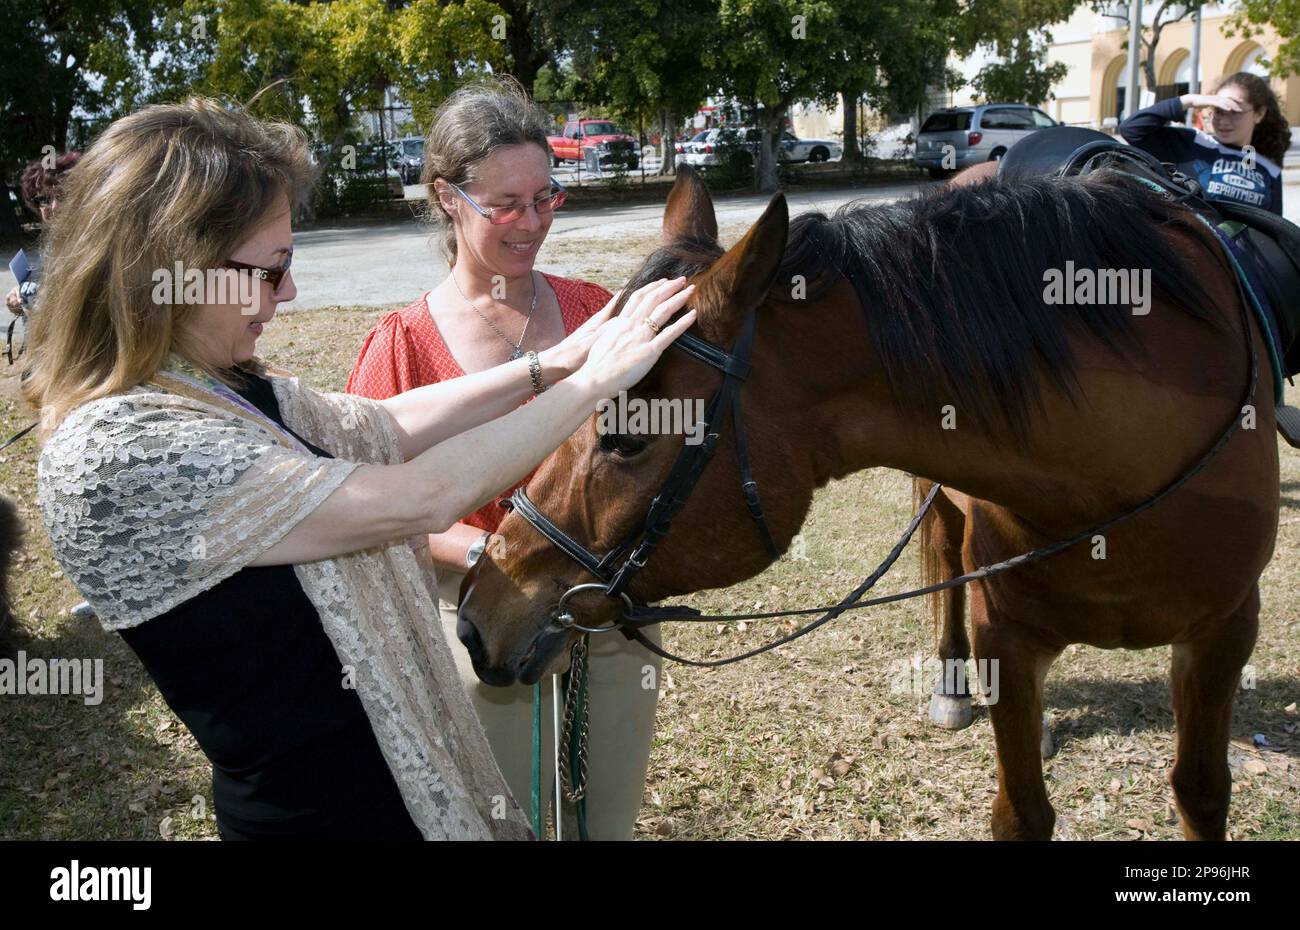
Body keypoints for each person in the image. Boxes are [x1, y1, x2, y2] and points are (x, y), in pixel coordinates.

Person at [29, 96, 696, 840]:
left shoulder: (218, 386)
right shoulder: (122, 453)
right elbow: (421, 497)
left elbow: (380, 426)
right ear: (175, 269)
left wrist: (556, 360)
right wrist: (590, 385)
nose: (288, 293)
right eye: (271, 268)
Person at [347, 78, 664, 839]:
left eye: (546, 198)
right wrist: (493, 551)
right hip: (478, 623)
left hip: (610, 624)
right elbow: (367, 504)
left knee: (602, 825)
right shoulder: (401, 345)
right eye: (506, 206)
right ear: (448, 198)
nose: (532, 224)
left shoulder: (598, 312)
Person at [1119, 71, 1290, 215]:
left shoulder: (1269, 170)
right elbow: (1132, 129)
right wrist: (1190, 101)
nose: (1223, 121)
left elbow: (1277, 233)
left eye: (1234, 112)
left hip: (1241, 254)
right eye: (1218, 111)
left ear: (1259, 114)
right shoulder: (1193, 143)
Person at [5, 152, 79, 350]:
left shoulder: (95, 243)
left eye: (63, 195)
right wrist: (23, 297)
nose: (54, 207)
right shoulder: (55, 241)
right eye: (43, 199)